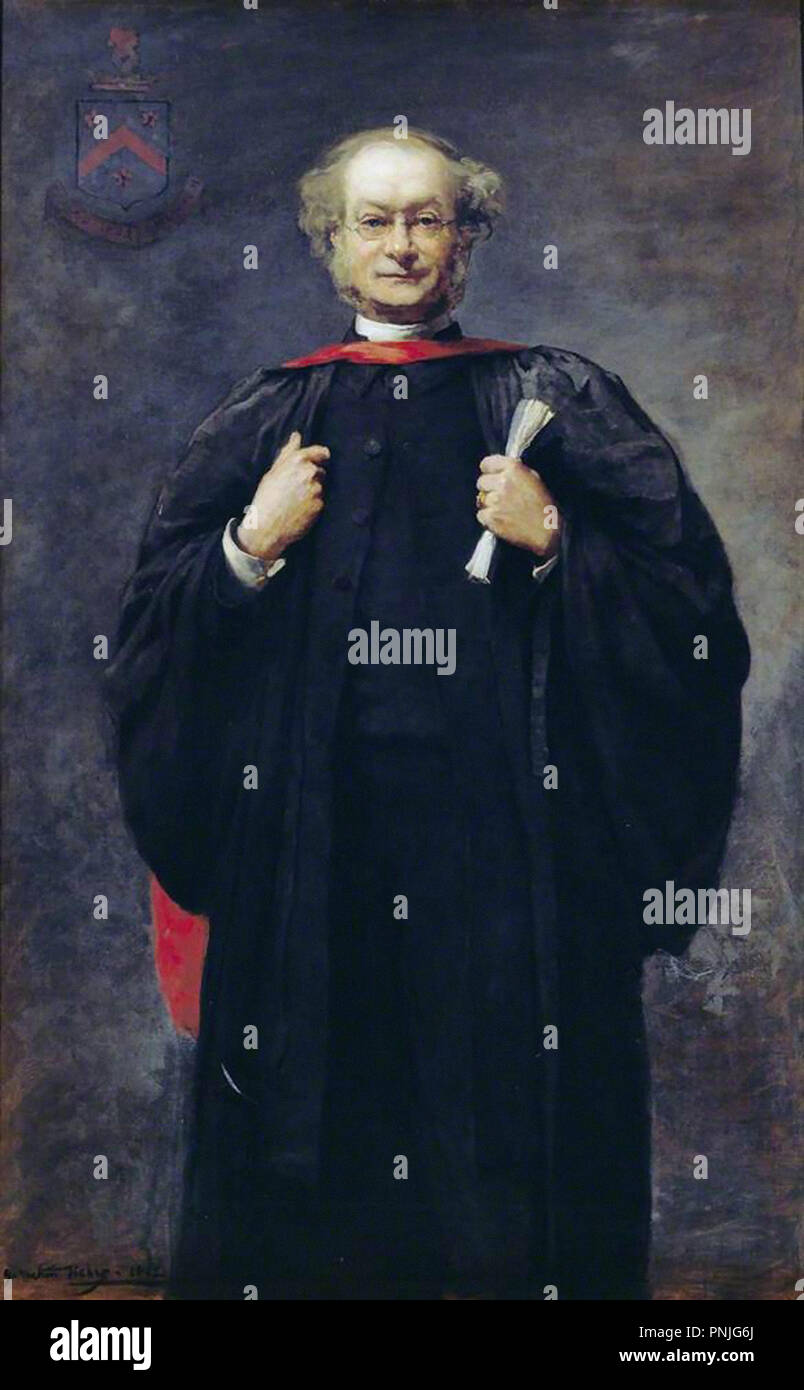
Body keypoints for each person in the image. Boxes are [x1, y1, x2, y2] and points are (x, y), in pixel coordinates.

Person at [105, 126, 750, 1300]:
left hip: (514, 858)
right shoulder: (265, 418)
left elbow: (695, 626)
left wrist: (558, 544)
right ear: (332, 246)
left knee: (507, 1165)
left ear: (469, 241)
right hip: (317, 855)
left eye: (428, 218)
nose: (402, 244)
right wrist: (249, 549)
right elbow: (154, 641)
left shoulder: (559, 399)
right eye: (376, 220)